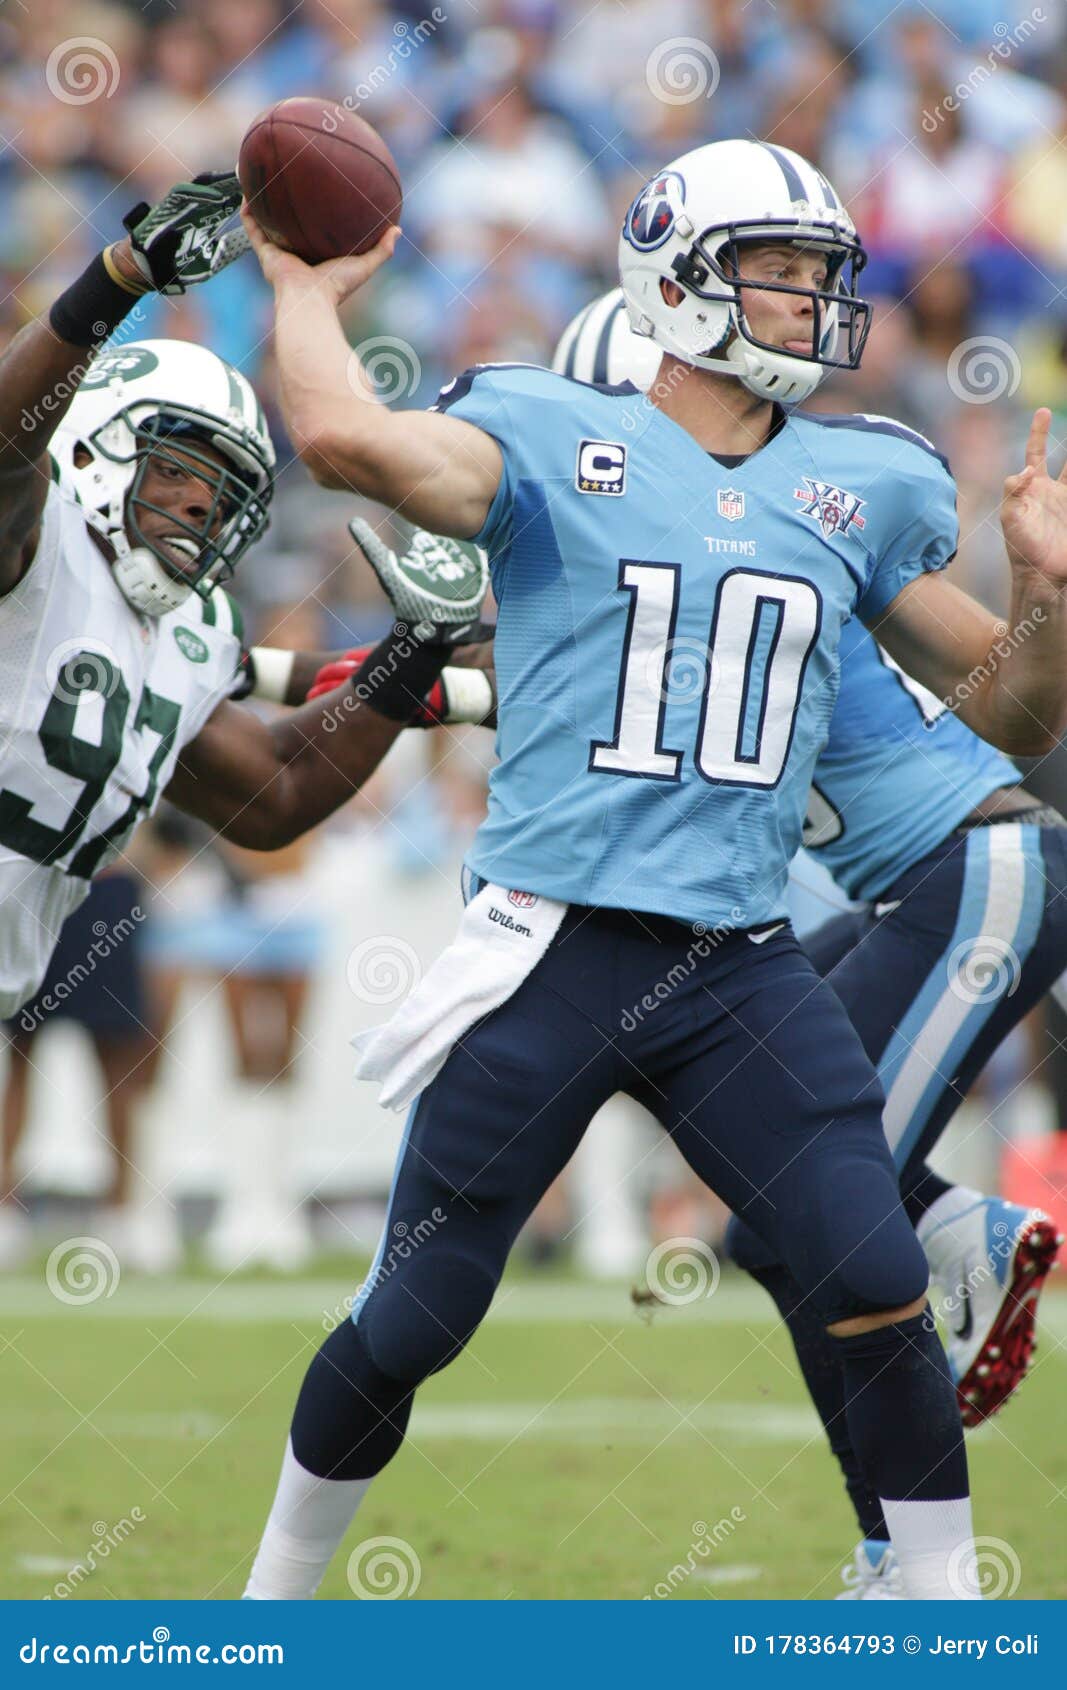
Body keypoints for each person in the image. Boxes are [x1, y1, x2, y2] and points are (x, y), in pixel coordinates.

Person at [239, 138, 1067, 1601]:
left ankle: (937, 1611)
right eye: (778, 270)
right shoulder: (549, 430)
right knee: (418, 1312)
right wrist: (302, 289)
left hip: (737, 961)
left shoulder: (859, 480)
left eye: (822, 273)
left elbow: (1010, 712)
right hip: (547, 946)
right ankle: (271, 1607)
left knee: (868, 1269)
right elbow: (343, 441)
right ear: (675, 282)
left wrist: (1046, 599)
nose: (812, 300)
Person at [558, 287, 1067, 1597]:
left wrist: (1037, 587)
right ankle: (953, 1232)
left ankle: (907, 1559)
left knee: (810, 1221)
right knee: (768, 1206)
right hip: (915, 888)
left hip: (974, 866)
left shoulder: (754, 550)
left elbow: (611, 718)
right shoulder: (720, 550)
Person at [0, 172, 486, 1245]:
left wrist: (410, 650)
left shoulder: (182, 635)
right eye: (179, 469)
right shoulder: (35, 547)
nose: (199, 503)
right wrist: (115, 280)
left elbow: (276, 793)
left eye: (222, 491)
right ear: (96, 443)